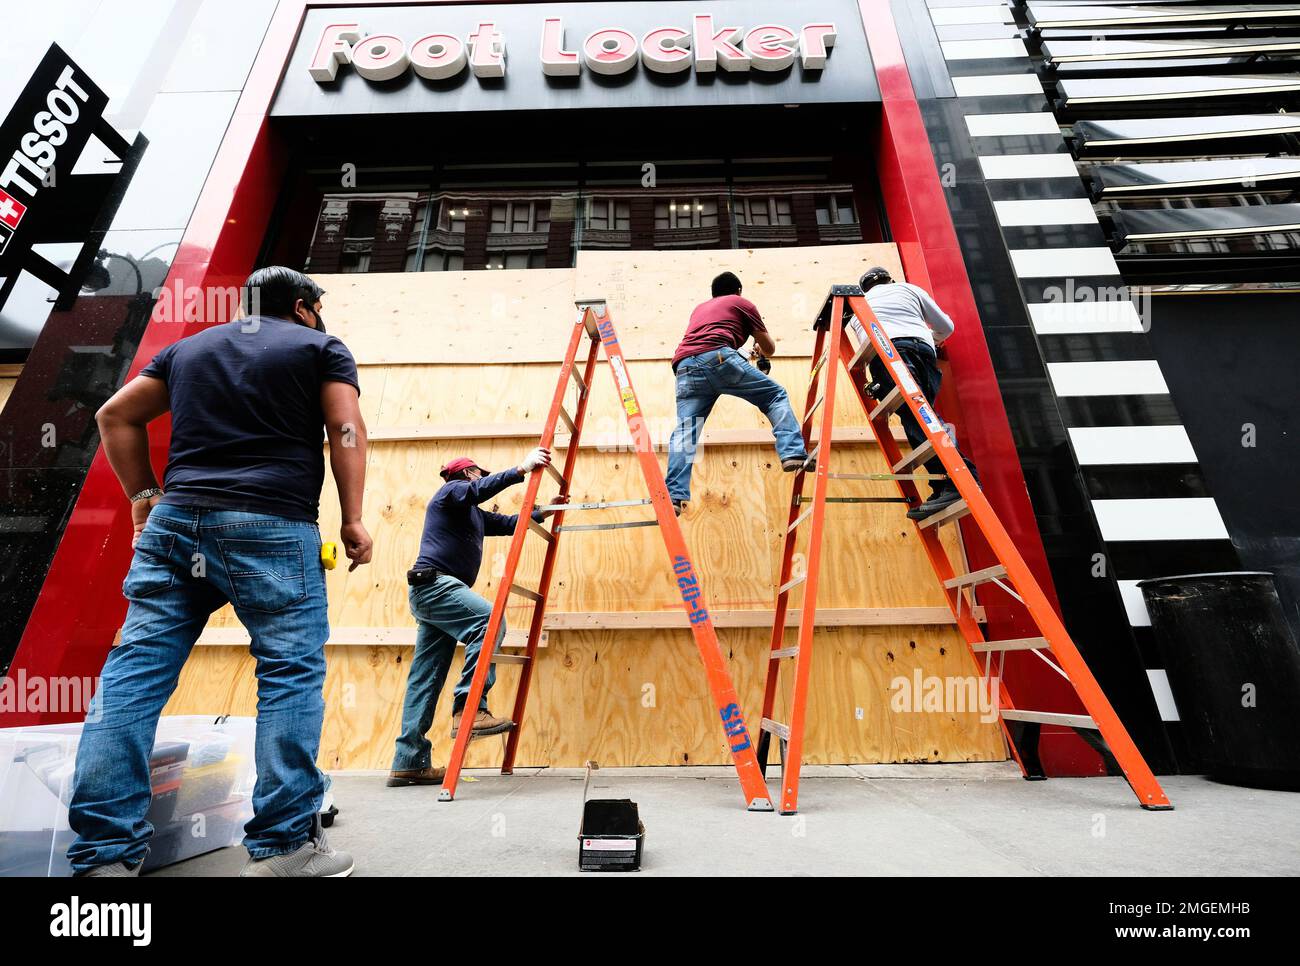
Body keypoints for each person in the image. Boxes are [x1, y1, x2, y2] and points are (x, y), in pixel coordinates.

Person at [67, 266, 371, 878]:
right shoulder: (320, 347)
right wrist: (354, 518)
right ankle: (285, 849)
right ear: (304, 306)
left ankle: (104, 858)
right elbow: (344, 427)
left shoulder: (189, 348)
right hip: (272, 528)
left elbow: (114, 416)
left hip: (176, 526)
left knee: (133, 675)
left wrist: (142, 494)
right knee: (288, 674)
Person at [388, 449, 563, 787]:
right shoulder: (450, 492)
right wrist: (518, 470)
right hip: (435, 586)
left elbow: (513, 523)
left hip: (434, 594)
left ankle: (408, 761)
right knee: (489, 620)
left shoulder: (474, 515)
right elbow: (476, 490)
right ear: (468, 473)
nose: (483, 479)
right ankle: (470, 708)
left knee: (425, 676)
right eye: (480, 474)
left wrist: (545, 511)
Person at [666, 272, 813, 513]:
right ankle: (792, 452)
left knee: (686, 431)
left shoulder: (700, 310)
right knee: (775, 396)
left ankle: (674, 496)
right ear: (739, 290)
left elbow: (708, 349)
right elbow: (769, 348)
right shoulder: (741, 303)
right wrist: (760, 348)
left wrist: (744, 352)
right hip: (719, 358)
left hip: (685, 367)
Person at [853, 266, 979, 520]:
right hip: (923, 352)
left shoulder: (860, 306)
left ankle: (961, 477)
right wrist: (930, 337)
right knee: (921, 417)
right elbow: (946, 327)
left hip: (889, 354)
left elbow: (864, 343)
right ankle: (943, 484)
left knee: (921, 417)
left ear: (865, 288)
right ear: (890, 280)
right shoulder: (908, 289)